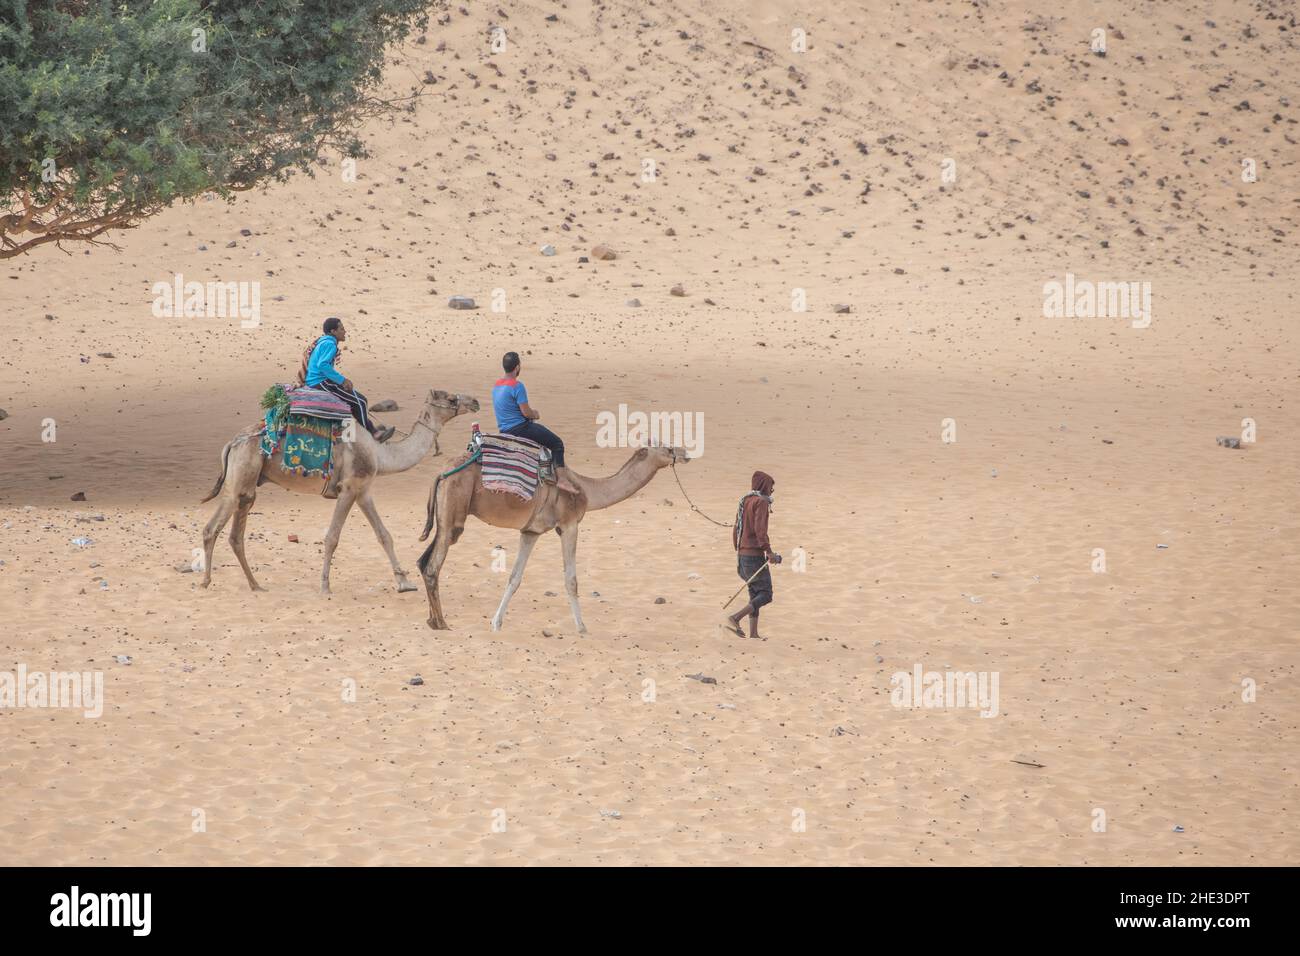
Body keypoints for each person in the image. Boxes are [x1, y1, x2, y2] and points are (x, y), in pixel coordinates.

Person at [298, 318, 394, 443]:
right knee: (360, 402)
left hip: (320, 380)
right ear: (333, 331)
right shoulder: (330, 344)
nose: (345, 331)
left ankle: (365, 429)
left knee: (358, 400)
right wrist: (342, 380)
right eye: (342, 329)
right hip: (321, 382)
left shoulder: (324, 342)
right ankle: (373, 433)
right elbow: (323, 365)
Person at [491, 351, 576, 492]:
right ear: (517, 367)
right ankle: (562, 479)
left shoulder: (496, 385)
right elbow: (526, 412)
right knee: (557, 443)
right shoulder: (517, 386)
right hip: (520, 428)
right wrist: (535, 414)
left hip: (504, 430)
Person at [725, 471, 781, 639]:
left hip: (742, 557)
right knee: (766, 594)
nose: (771, 491)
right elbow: (760, 531)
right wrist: (769, 552)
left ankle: (754, 634)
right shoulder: (761, 502)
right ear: (764, 485)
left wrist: (739, 549)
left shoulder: (745, 500)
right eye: (771, 486)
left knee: (754, 593)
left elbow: (736, 528)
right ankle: (736, 617)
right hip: (753, 556)